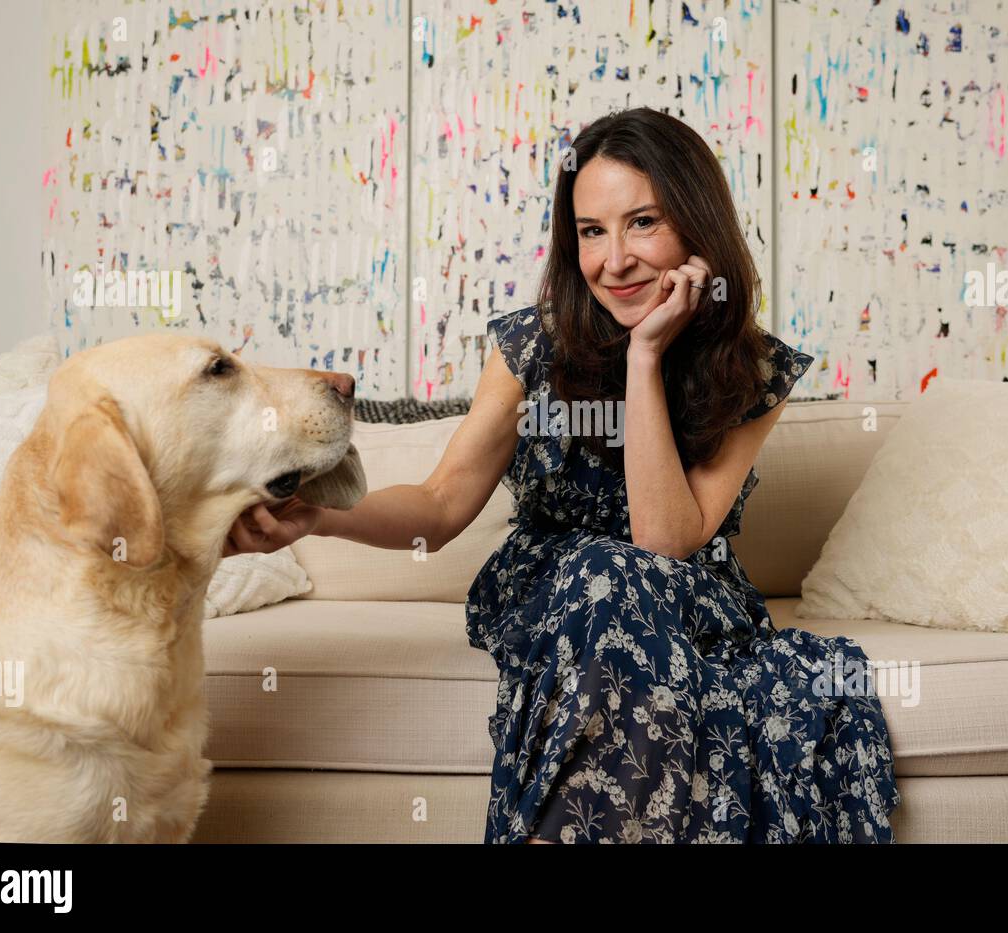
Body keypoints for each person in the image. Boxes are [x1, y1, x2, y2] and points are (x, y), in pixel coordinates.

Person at [223, 106, 901, 844]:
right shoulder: (532, 344)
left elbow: (665, 540)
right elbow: (443, 502)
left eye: (642, 222)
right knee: (600, 571)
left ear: (698, 228)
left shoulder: (753, 367)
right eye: (591, 231)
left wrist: (644, 358)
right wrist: (320, 516)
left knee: (630, 579)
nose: (614, 260)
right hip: (554, 592)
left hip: (688, 602)